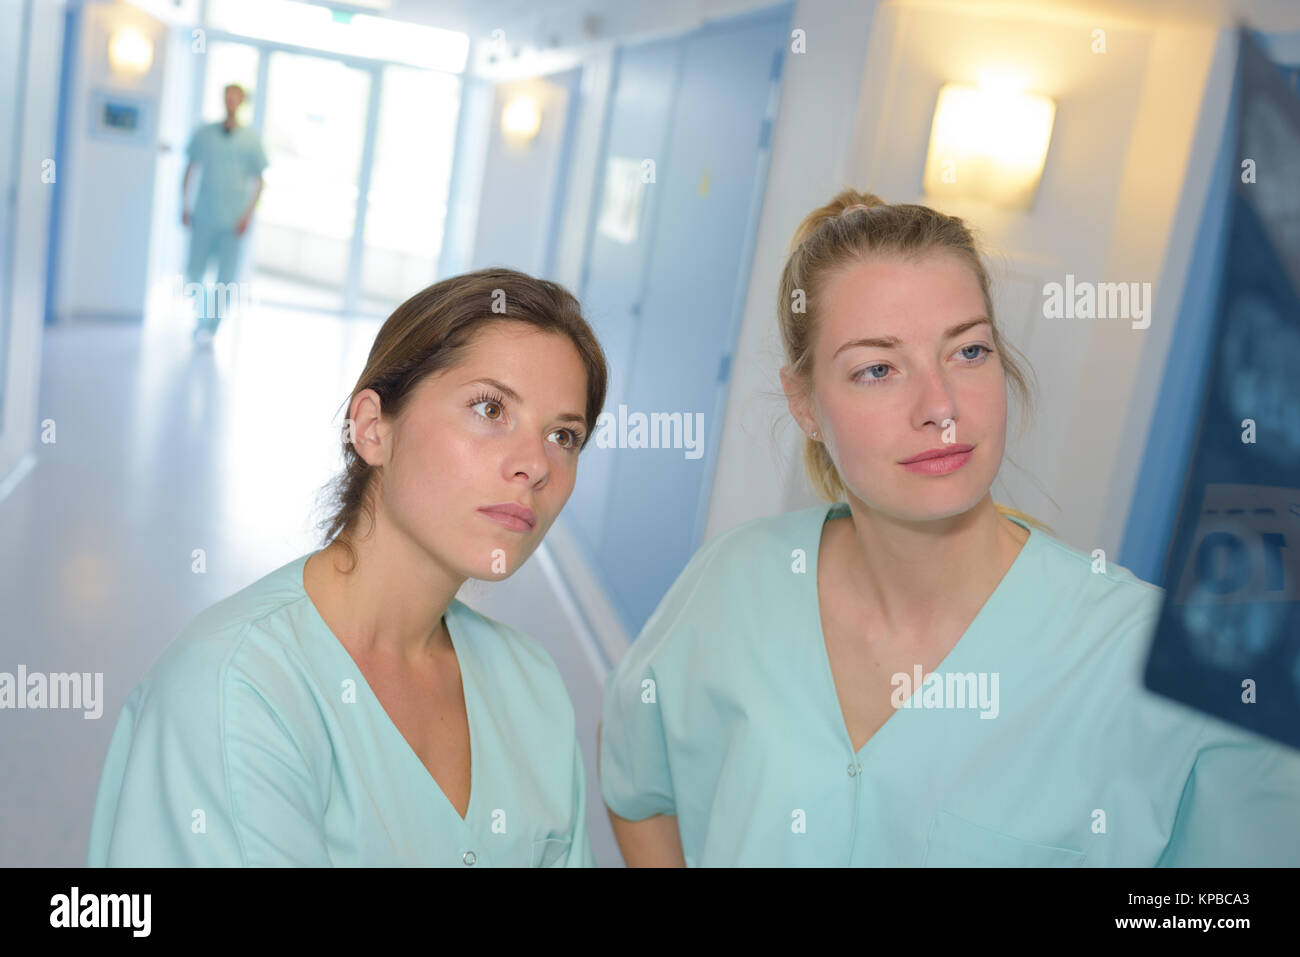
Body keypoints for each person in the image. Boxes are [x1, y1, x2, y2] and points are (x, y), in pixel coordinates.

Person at [598, 188, 1300, 867]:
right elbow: (636, 778)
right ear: (805, 403)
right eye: (877, 368)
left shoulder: (1162, 660)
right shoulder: (734, 584)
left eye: (968, 352)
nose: (940, 406)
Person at [89, 268, 607, 866]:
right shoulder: (235, 691)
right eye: (490, 408)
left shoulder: (531, 684)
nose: (534, 464)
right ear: (372, 428)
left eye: (564, 436)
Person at [181, 83, 267, 347]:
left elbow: (259, 181)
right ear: (222, 99)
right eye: (227, 96)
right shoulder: (205, 134)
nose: (231, 101)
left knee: (224, 279)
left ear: (242, 102)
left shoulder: (251, 140)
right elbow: (190, 169)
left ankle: (210, 327)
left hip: (233, 221)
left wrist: (247, 215)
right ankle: (202, 316)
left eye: (236, 97)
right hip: (204, 215)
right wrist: (185, 205)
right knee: (193, 273)